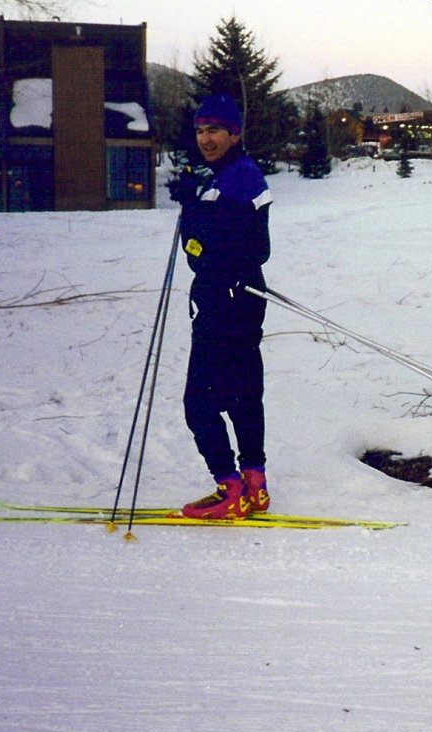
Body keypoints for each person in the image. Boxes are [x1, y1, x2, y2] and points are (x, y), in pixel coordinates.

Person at [169, 93, 273, 519]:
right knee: (243, 394)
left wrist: (192, 209)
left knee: (200, 402)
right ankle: (254, 484)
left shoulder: (234, 180)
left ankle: (229, 488)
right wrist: (196, 203)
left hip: (225, 302)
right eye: (199, 130)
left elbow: (210, 251)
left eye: (214, 130)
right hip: (240, 298)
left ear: (235, 133)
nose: (205, 139)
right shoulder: (228, 175)